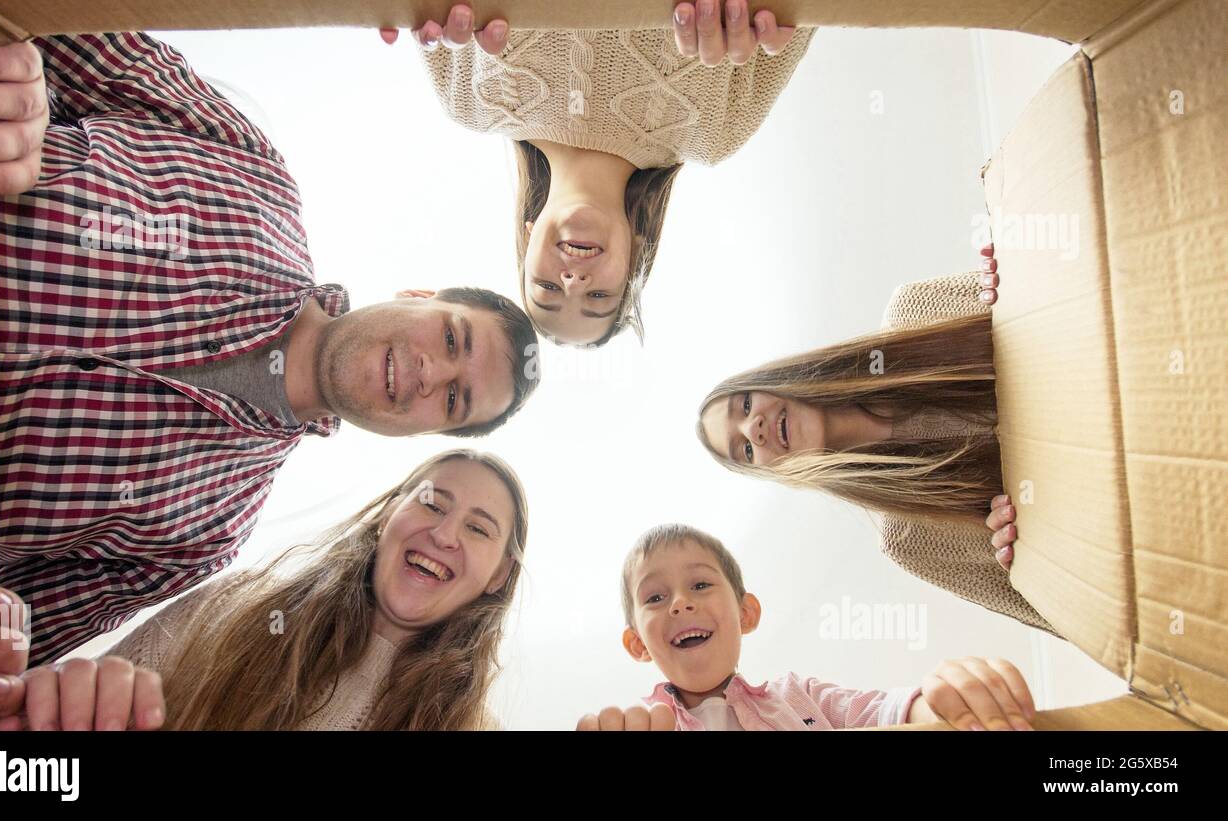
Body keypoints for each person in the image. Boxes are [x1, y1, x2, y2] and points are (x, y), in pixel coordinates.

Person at [0, 33, 540, 664]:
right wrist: (24, 86)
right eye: (449, 338)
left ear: (423, 432)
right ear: (418, 294)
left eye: (452, 398)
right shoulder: (249, 166)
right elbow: (49, 29)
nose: (428, 372)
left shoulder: (205, 538)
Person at [0, 449, 528, 731]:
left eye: (479, 528)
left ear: (499, 575)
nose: (444, 532)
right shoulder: (238, 609)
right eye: (431, 501)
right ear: (387, 518)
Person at [383, 2, 815, 345]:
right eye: (598, 297)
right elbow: (815, 14)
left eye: (547, 288)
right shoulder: (717, 129)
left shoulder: (468, 100)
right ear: (636, 256)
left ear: (528, 236)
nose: (572, 280)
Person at [696, 246, 1058, 634]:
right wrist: (1024, 552)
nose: (755, 429)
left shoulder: (914, 312)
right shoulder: (910, 539)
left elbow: (1059, 288)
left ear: (771, 379)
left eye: (746, 404)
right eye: (745, 450)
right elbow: (1054, 614)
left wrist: (1020, 270)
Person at [578, 523, 1038, 731]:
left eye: (699, 584)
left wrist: (941, 703)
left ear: (746, 613)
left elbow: (886, 714)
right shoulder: (639, 727)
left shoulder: (802, 697)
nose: (680, 603)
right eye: (655, 598)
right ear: (637, 643)